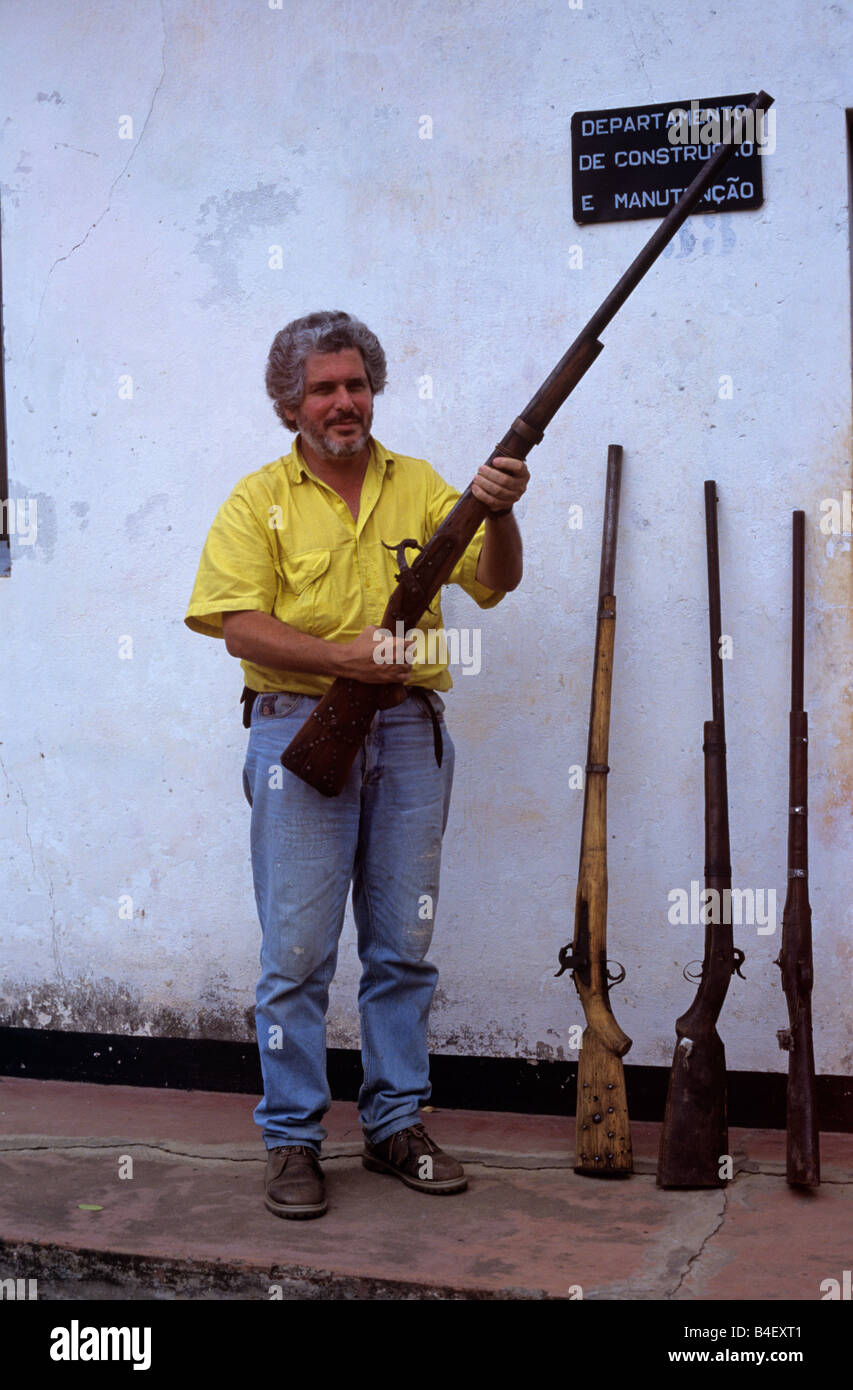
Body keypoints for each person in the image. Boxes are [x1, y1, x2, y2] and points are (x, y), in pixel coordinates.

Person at [185, 310, 528, 1218]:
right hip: (298, 731)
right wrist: (344, 657)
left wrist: (499, 510)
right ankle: (292, 1139)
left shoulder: (420, 484)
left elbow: (496, 579)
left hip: (408, 731)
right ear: (288, 404)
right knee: (296, 955)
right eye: (323, 389)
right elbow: (236, 625)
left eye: (356, 384)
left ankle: (396, 1124)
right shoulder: (257, 498)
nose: (344, 401)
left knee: (402, 948)